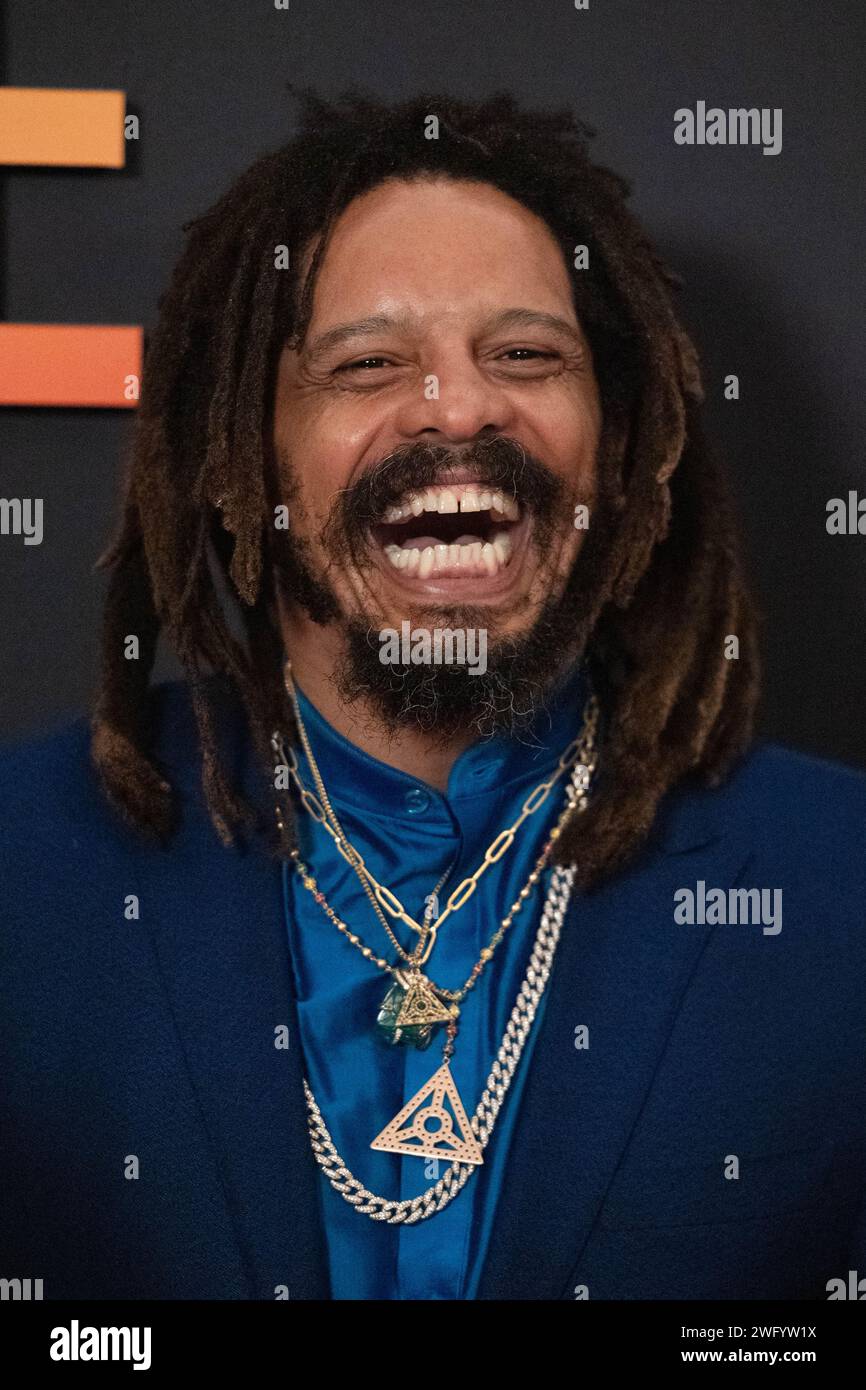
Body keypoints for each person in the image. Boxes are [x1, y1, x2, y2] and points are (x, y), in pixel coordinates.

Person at [2, 90, 864, 1302]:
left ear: (613, 453)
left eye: (525, 355)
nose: (459, 407)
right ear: (242, 457)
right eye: (367, 363)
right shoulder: (22, 871)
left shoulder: (840, 888)